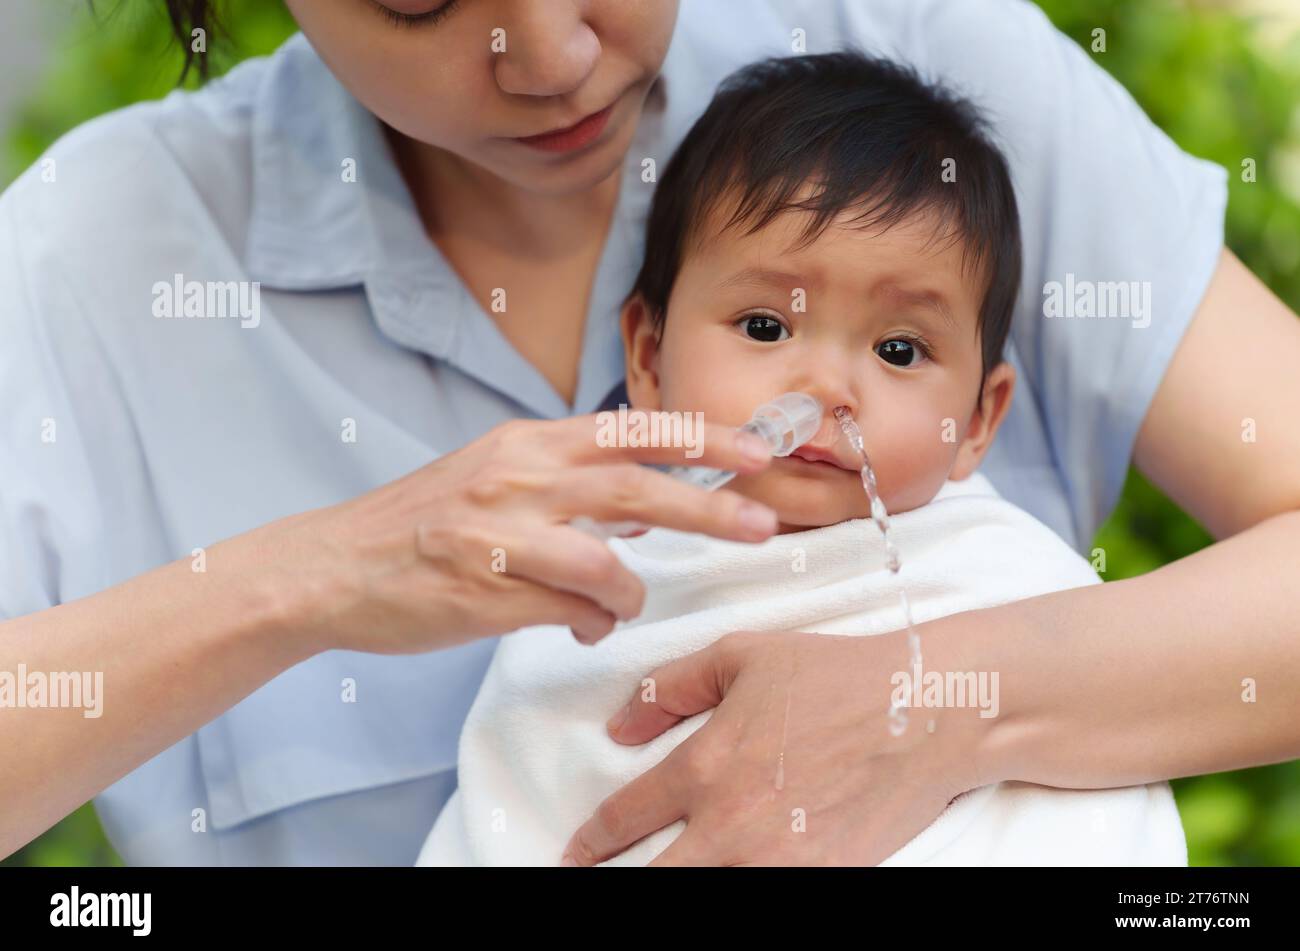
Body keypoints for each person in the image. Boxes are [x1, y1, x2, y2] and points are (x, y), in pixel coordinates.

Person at [0, 0, 1296, 866]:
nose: (551, 54)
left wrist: (936, 703)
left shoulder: (914, 67)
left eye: (899, 351)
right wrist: (313, 582)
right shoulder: (89, 264)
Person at [417, 50, 1187, 867]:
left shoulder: (1012, 583)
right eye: (764, 327)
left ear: (975, 422)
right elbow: (513, 802)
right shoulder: (590, 586)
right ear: (646, 356)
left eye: (898, 348)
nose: (826, 386)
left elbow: (1095, 826)